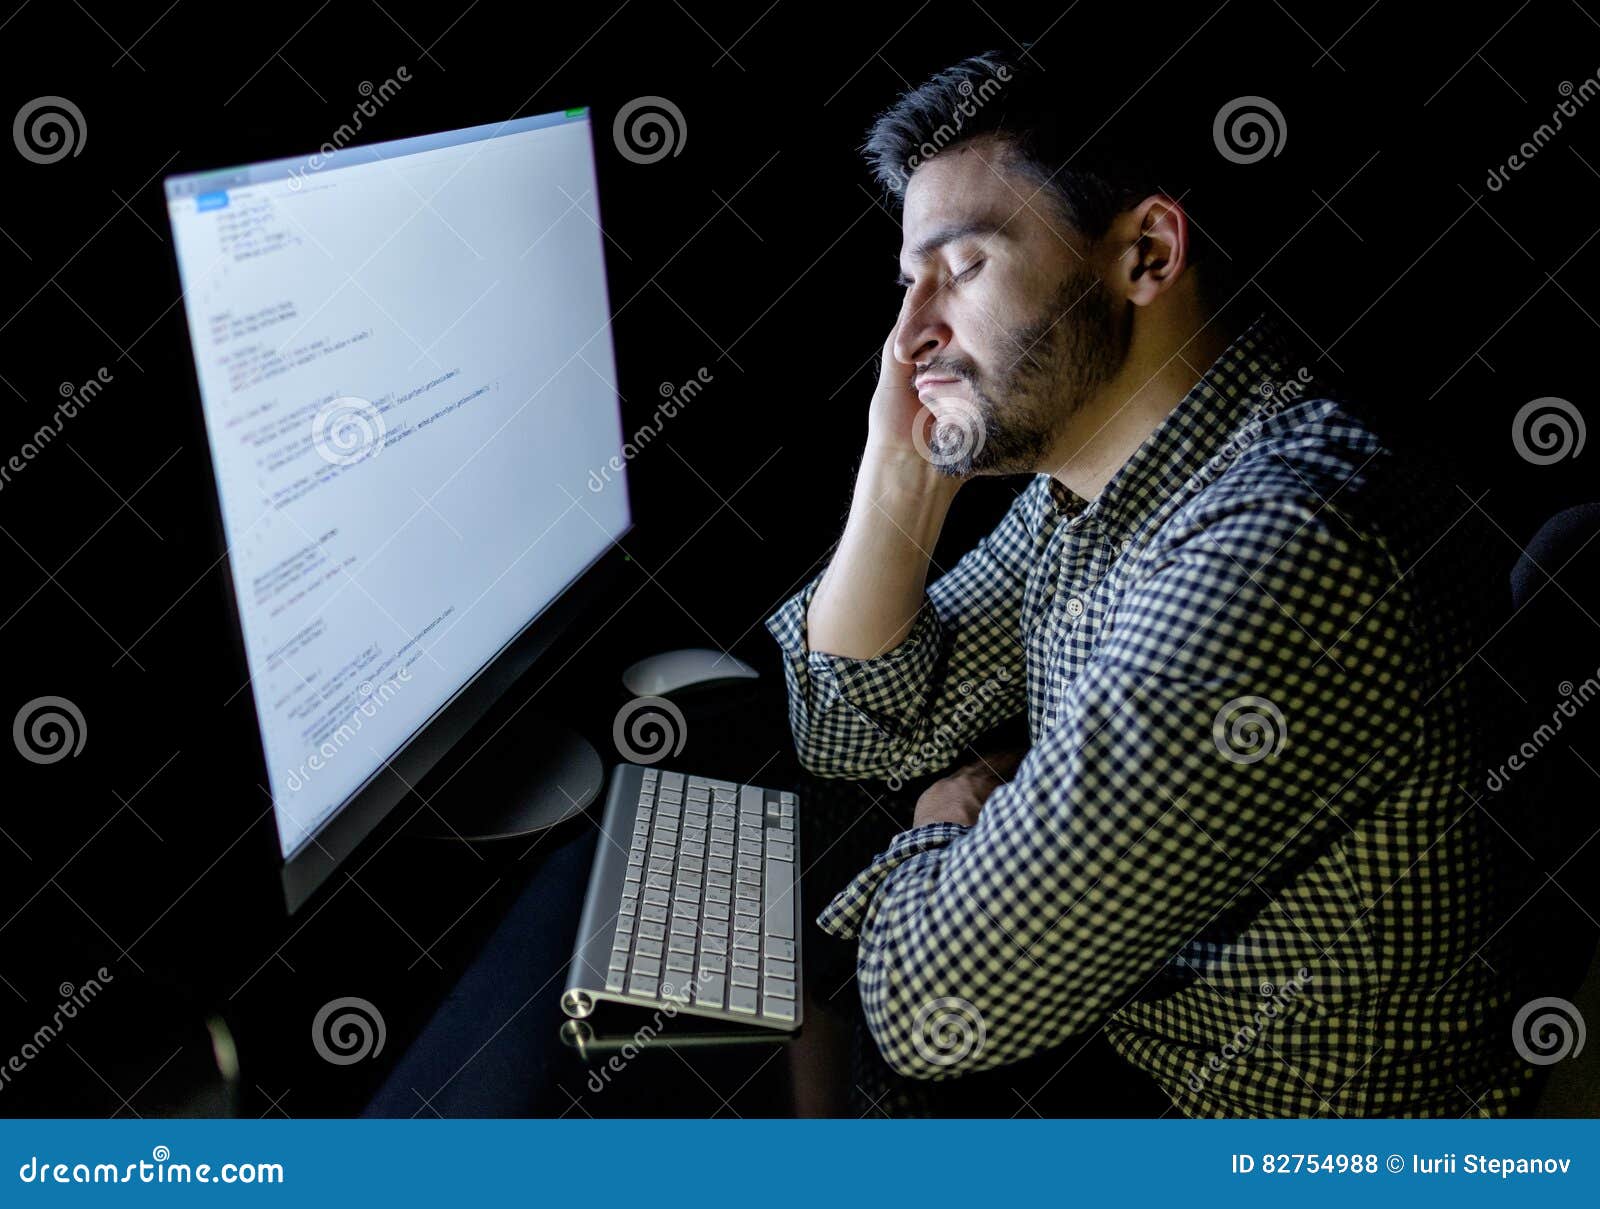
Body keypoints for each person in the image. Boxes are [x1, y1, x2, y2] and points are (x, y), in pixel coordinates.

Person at [765, 49, 1539, 1117]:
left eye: (965, 267)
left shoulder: (1282, 541)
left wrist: (949, 809)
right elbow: (851, 727)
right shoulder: (1095, 483)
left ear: (1144, 253)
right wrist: (895, 468)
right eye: (908, 287)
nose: (906, 341)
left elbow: (931, 1002)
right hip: (1137, 1066)